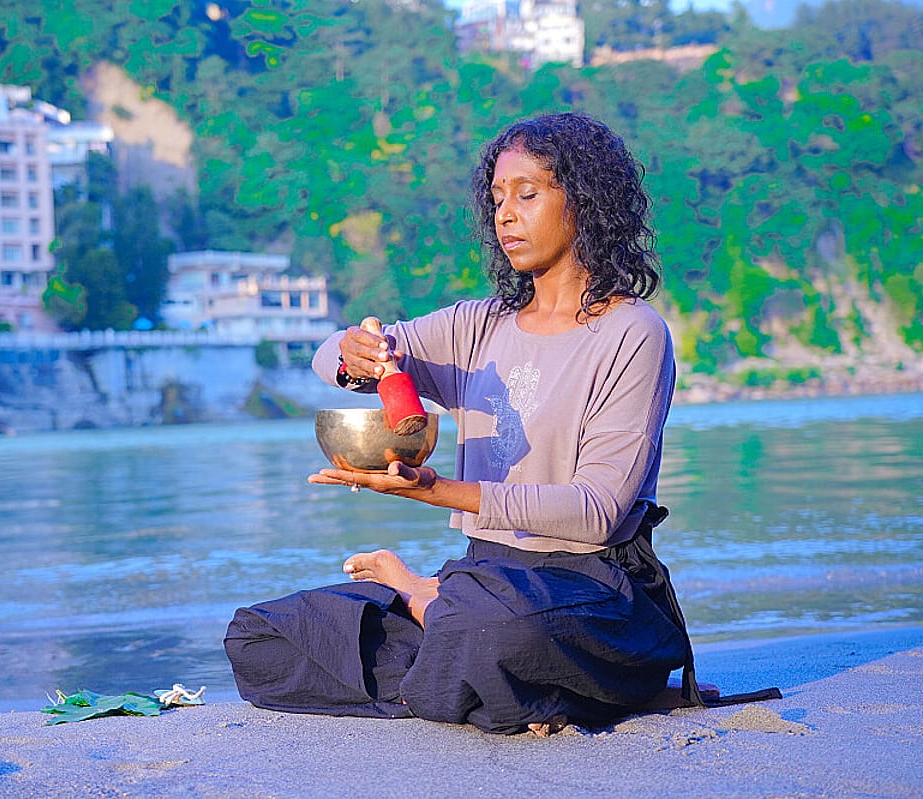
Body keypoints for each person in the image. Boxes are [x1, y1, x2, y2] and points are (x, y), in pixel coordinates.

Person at [224, 112, 703, 736]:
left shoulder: (632, 332)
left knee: (490, 629)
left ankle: (445, 625)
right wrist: (350, 353)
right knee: (261, 637)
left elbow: (598, 512)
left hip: (592, 590)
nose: (505, 216)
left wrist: (436, 491)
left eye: (527, 195)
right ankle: (486, 667)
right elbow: (327, 360)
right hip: (482, 579)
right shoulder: (477, 327)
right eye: (497, 199)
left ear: (585, 202)